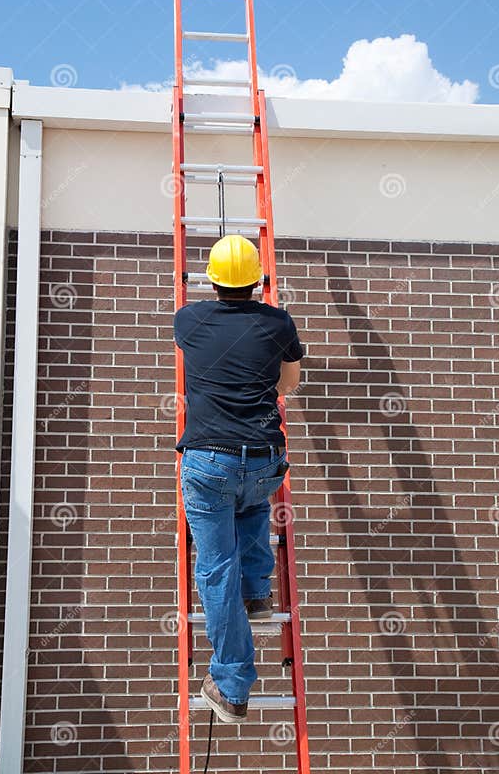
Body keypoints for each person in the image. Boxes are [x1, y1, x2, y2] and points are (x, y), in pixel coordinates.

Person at [173, 234, 304, 724]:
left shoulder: (188, 320)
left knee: (214, 567)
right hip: (264, 459)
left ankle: (231, 683)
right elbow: (288, 384)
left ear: (211, 279)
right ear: (257, 280)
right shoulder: (278, 322)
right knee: (250, 506)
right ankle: (257, 593)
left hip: (210, 461)